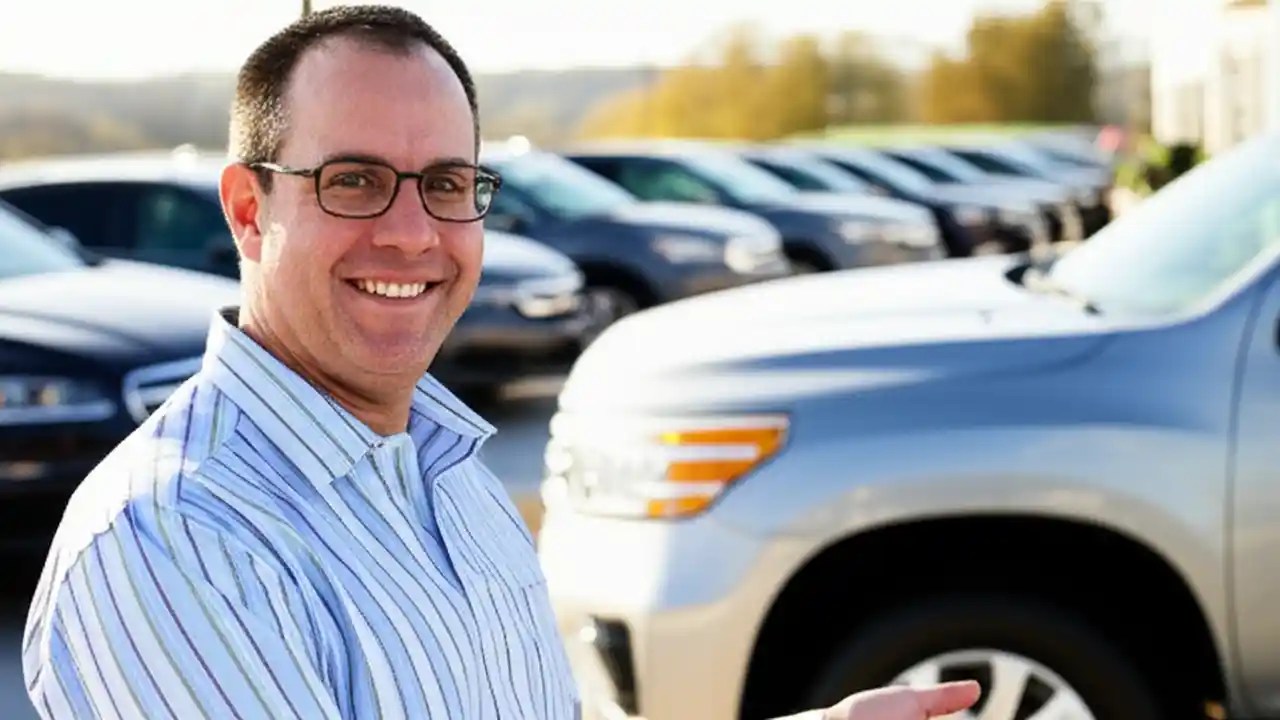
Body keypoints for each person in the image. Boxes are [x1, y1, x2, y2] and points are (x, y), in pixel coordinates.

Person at [21, 6, 980, 719]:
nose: (411, 234)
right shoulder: (175, 541)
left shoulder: (446, 475)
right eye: (354, 181)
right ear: (247, 212)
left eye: (446, 184)